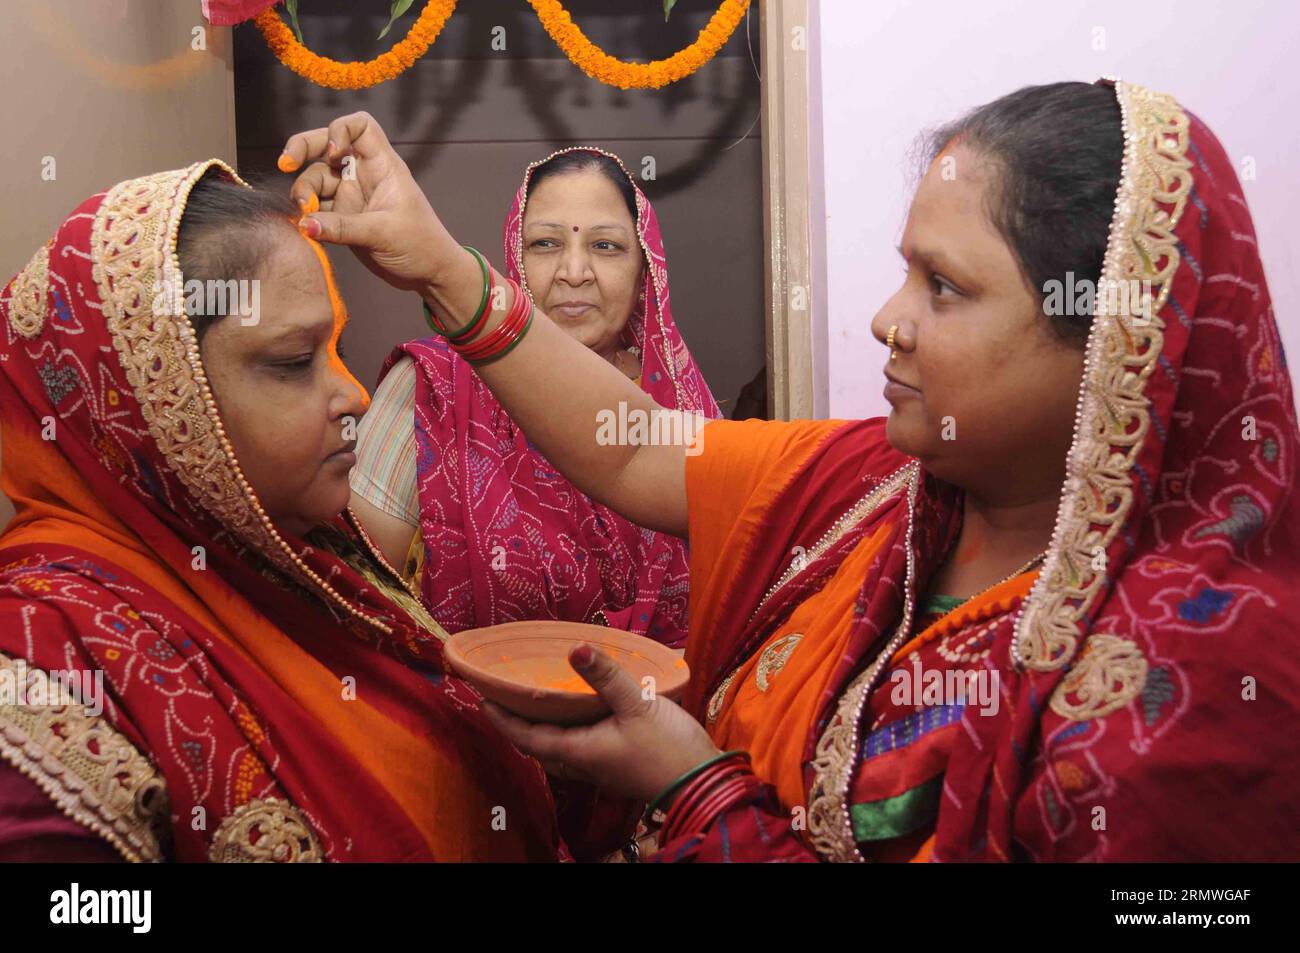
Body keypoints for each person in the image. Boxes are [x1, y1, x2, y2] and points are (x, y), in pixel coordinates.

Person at [282, 77, 1300, 862]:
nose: (885, 318)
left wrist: (697, 789)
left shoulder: (1184, 686)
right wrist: (441, 268)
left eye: (941, 286)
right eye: (905, 268)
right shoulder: (874, 483)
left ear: (1115, 340)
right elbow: (638, 442)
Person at [0, 162, 563, 861]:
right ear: (165, 401)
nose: (356, 394)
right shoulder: (42, 667)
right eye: (297, 361)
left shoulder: (308, 558)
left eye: (337, 349)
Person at [347, 148, 719, 645]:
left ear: (644, 270)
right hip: (476, 711)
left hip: (664, 710)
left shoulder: (679, 399)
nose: (574, 270)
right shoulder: (430, 386)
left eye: (606, 246)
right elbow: (361, 596)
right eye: (545, 243)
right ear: (515, 258)